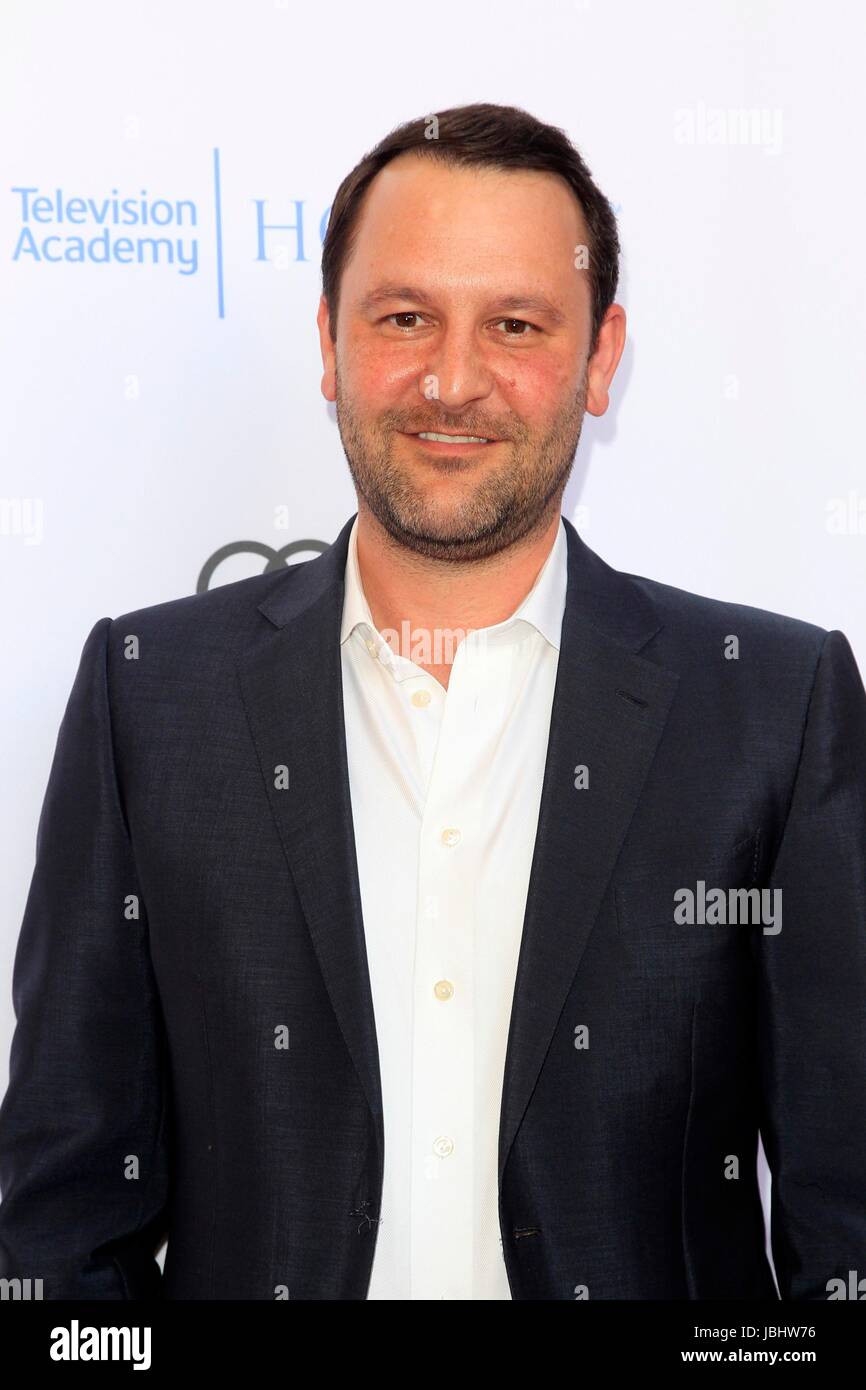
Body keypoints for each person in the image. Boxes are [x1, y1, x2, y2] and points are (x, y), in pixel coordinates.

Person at [1, 103, 864, 1301]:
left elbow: (844, 1219)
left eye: (514, 324)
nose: (451, 380)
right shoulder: (149, 699)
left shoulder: (775, 707)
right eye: (404, 318)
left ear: (599, 356)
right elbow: (61, 1214)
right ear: (329, 341)